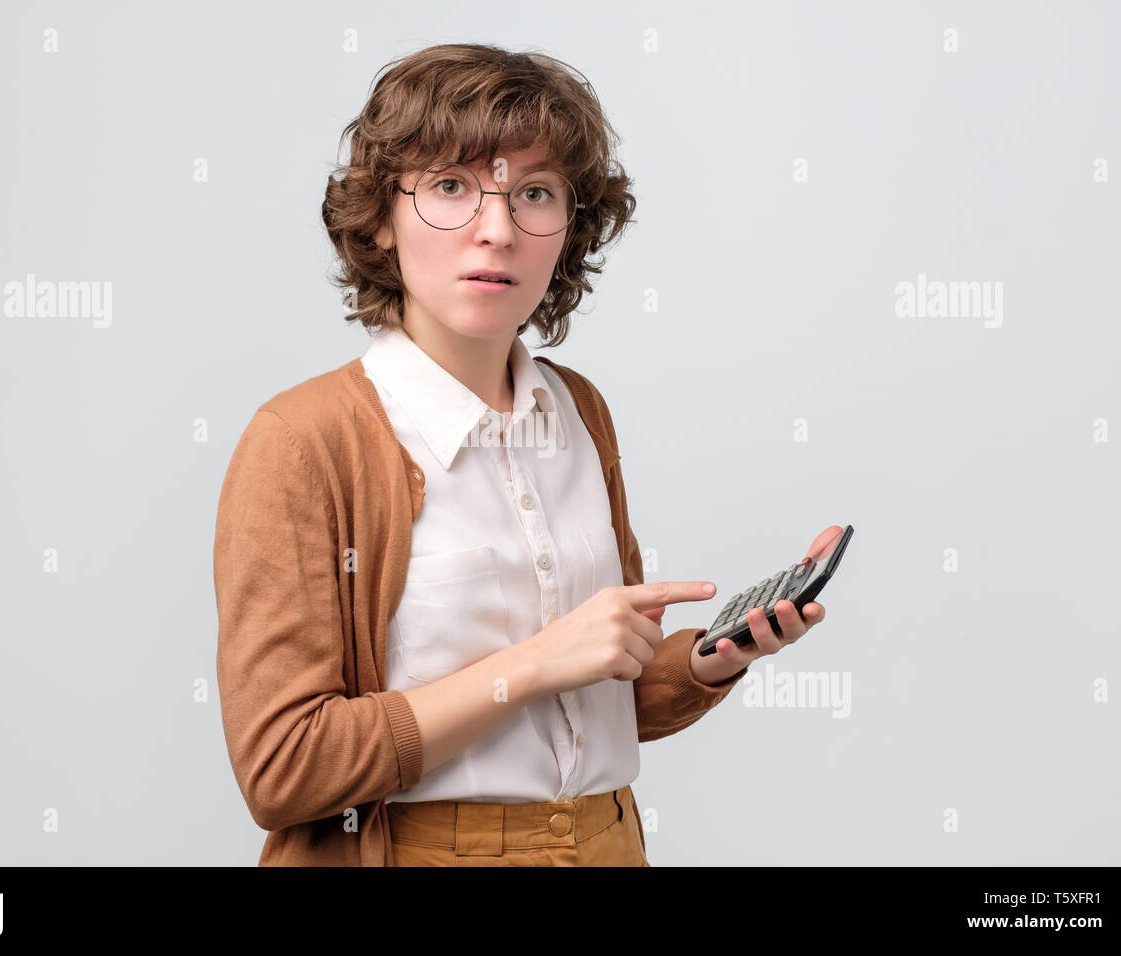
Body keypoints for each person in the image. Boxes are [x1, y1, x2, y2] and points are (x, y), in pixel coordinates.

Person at [213, 42, 832, 867]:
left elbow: (604, 695)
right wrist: (535, 662)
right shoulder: (303, 442)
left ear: (568, 229)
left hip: (611, 845)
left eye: (534, 193)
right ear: (380, 222)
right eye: (450, 188)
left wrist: (716, 657)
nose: (497, 230)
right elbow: (283, 767)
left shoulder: (579, 411)